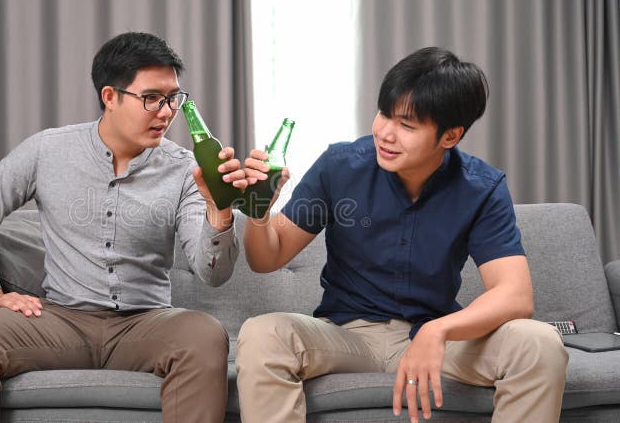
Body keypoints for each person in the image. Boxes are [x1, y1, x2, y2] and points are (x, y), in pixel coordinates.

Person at [235, 47, 568, 423]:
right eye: (384, 115)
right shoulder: (340, 166)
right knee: (264, 333)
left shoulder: (482, 187)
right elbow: (266, 259)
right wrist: (258, 213)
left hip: (436, 339)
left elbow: (516, 294)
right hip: (346, 336)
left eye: (407, 126)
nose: (385, 134)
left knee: (538, 343)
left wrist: (438, 331)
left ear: (450, 136)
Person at [0, 31, 247, 423]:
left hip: (146, 323)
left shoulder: (186, 169)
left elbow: (212, 274)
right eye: (151, 98)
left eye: (173, 98)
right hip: (60, 320)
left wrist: (219, 212)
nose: (167, 111)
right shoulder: (46, 151)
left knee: (203, 335)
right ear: (110, 97)